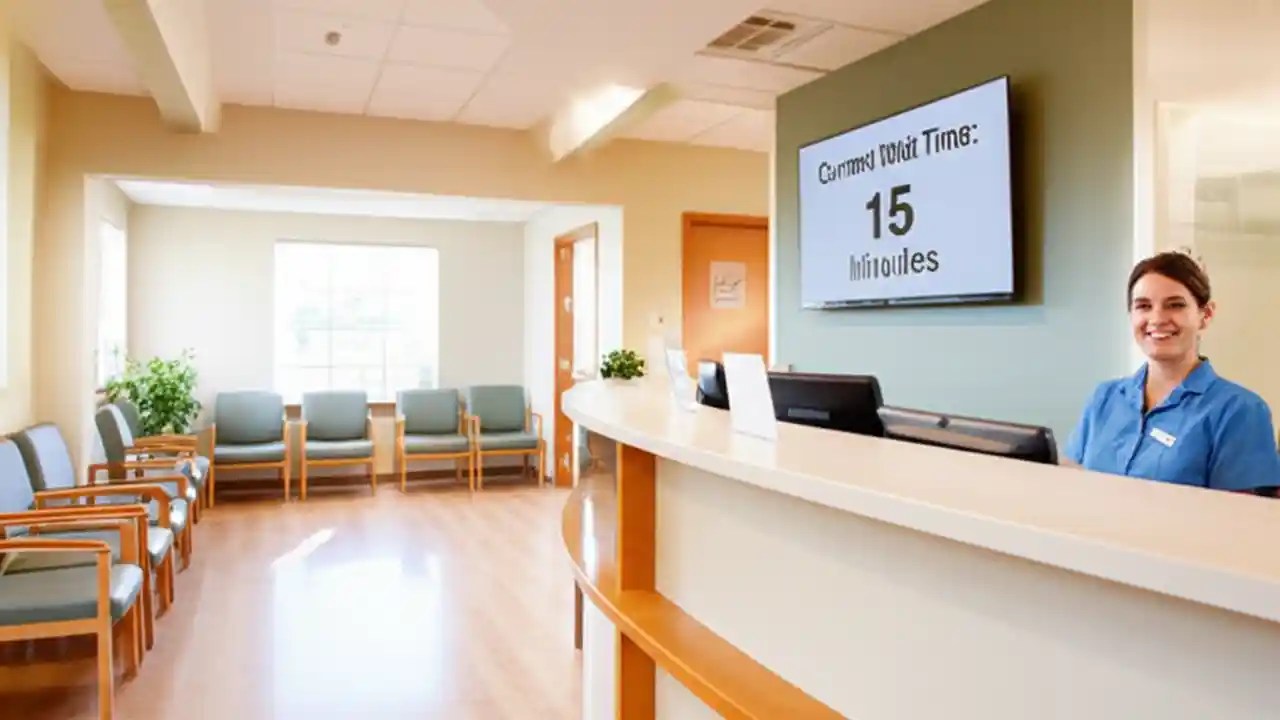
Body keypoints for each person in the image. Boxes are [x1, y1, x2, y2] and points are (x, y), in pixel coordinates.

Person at [1065, 251, 1280, 494]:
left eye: (1175, 305)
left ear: (1205, 315)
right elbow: (1073, 483)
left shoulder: (1240, 410)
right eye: (1144, 306)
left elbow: (1240, 520)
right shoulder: (1104, 398)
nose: (1156, 319)